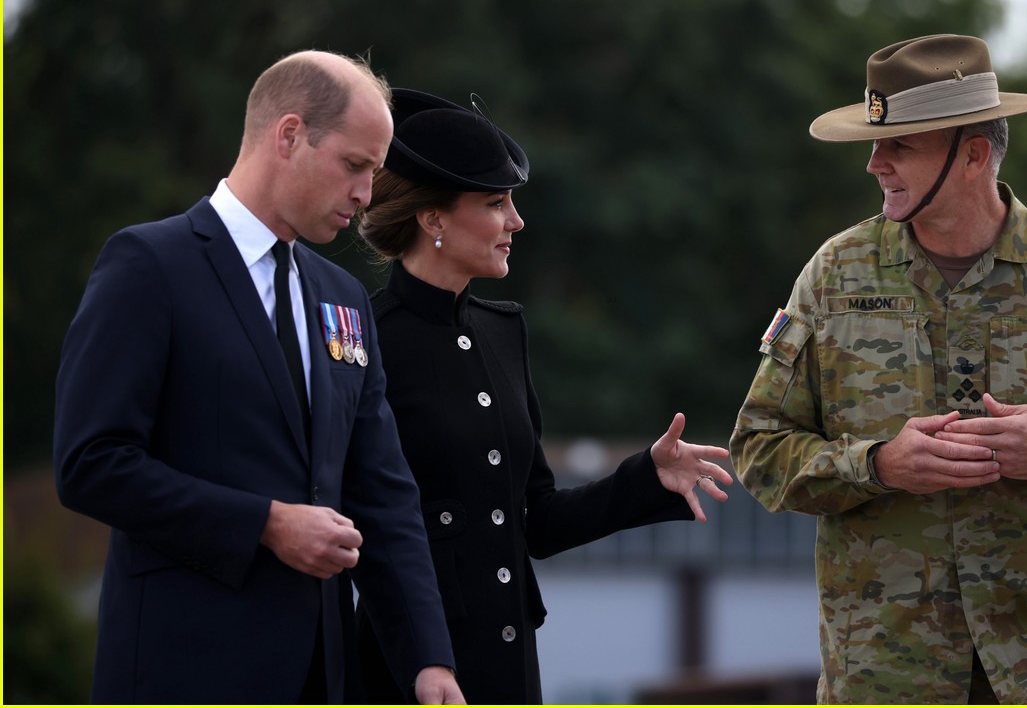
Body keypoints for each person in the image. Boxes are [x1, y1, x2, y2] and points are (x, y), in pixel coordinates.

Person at [729, 34, 1027, 704]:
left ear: (973, 153)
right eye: (875, 141)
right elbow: (759, 449)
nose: (875, 163)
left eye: (901, 146)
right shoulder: (834, 275)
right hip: (887, 681)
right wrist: (878, 465)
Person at [53, 51, 463, 704]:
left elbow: (383, 491)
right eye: (356, 166)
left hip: (319, 680)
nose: (366, 196)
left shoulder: (346, 299)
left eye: (375, 173)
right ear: (289, 136)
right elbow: (90, 464)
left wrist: (428, 659)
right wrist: (265, 523)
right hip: (182, 673)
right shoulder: (147, 265)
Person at [353, 88, 735, 704]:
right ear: (433, 219)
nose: (516, 222)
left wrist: (645, 479)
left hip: (508, 666)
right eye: (495, 203)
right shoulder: (362, 340)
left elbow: (538, 522)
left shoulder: (501, 332)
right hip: (406, 671)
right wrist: (424, 659)